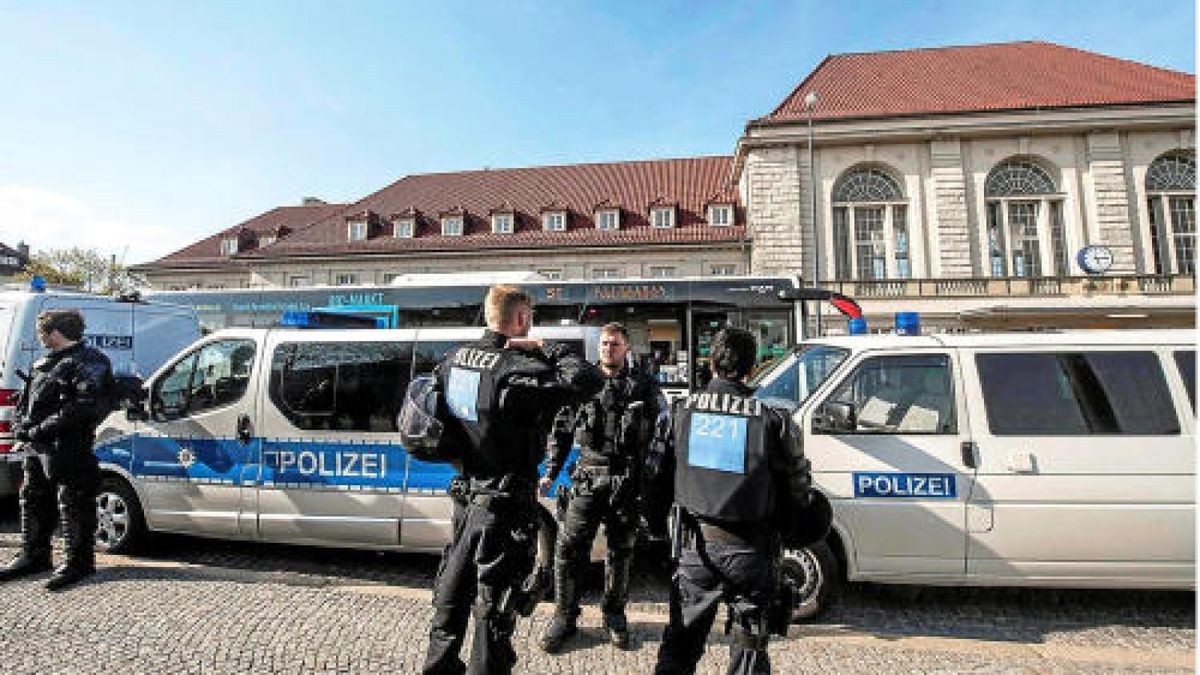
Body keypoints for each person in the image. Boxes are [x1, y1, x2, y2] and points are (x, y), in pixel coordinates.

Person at [422, 285, 604, 675]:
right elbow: (588, 380)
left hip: (465, 498)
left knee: (450, 600)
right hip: (503, 509)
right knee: (494, 614)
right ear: (521, 318)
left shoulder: (454, 359)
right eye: (529, 317)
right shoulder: (517, 371)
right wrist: (546, 347)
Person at [650, 327, 815, 675]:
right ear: (752, 369)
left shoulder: (680, 412)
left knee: (678, 651)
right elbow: (799, 493)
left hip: (696, 551)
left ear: (711, 363)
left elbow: (655, 481)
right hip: (753, 554)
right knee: (749, 656)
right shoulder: (774, 421)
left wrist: (658, 534)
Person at [538, 322, 666, 652]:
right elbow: (562, 428)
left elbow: (663, 427)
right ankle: (564, 617)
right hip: (587, 476)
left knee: (621, 552)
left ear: (626, 348)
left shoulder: (643, 384)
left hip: (626, 480)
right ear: (599, 348)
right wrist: (551, 471)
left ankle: (614, 615)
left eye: (615, 344)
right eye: (605, 344)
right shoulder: (582, 382)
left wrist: (651, 471)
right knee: (568, 549)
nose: (609, 348)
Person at [0, 309, 114, 591]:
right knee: (32, 497)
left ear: (55, 333)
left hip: (70, 445)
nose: (40, 338)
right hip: (38, 445)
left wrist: (40, 429)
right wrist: (22, 426)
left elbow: (85, 407)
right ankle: (34, 555)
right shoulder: (45, 362)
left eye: (42, 333)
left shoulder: (90, 361)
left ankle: (79, 562)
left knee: (73, 501)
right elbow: (28, 399)